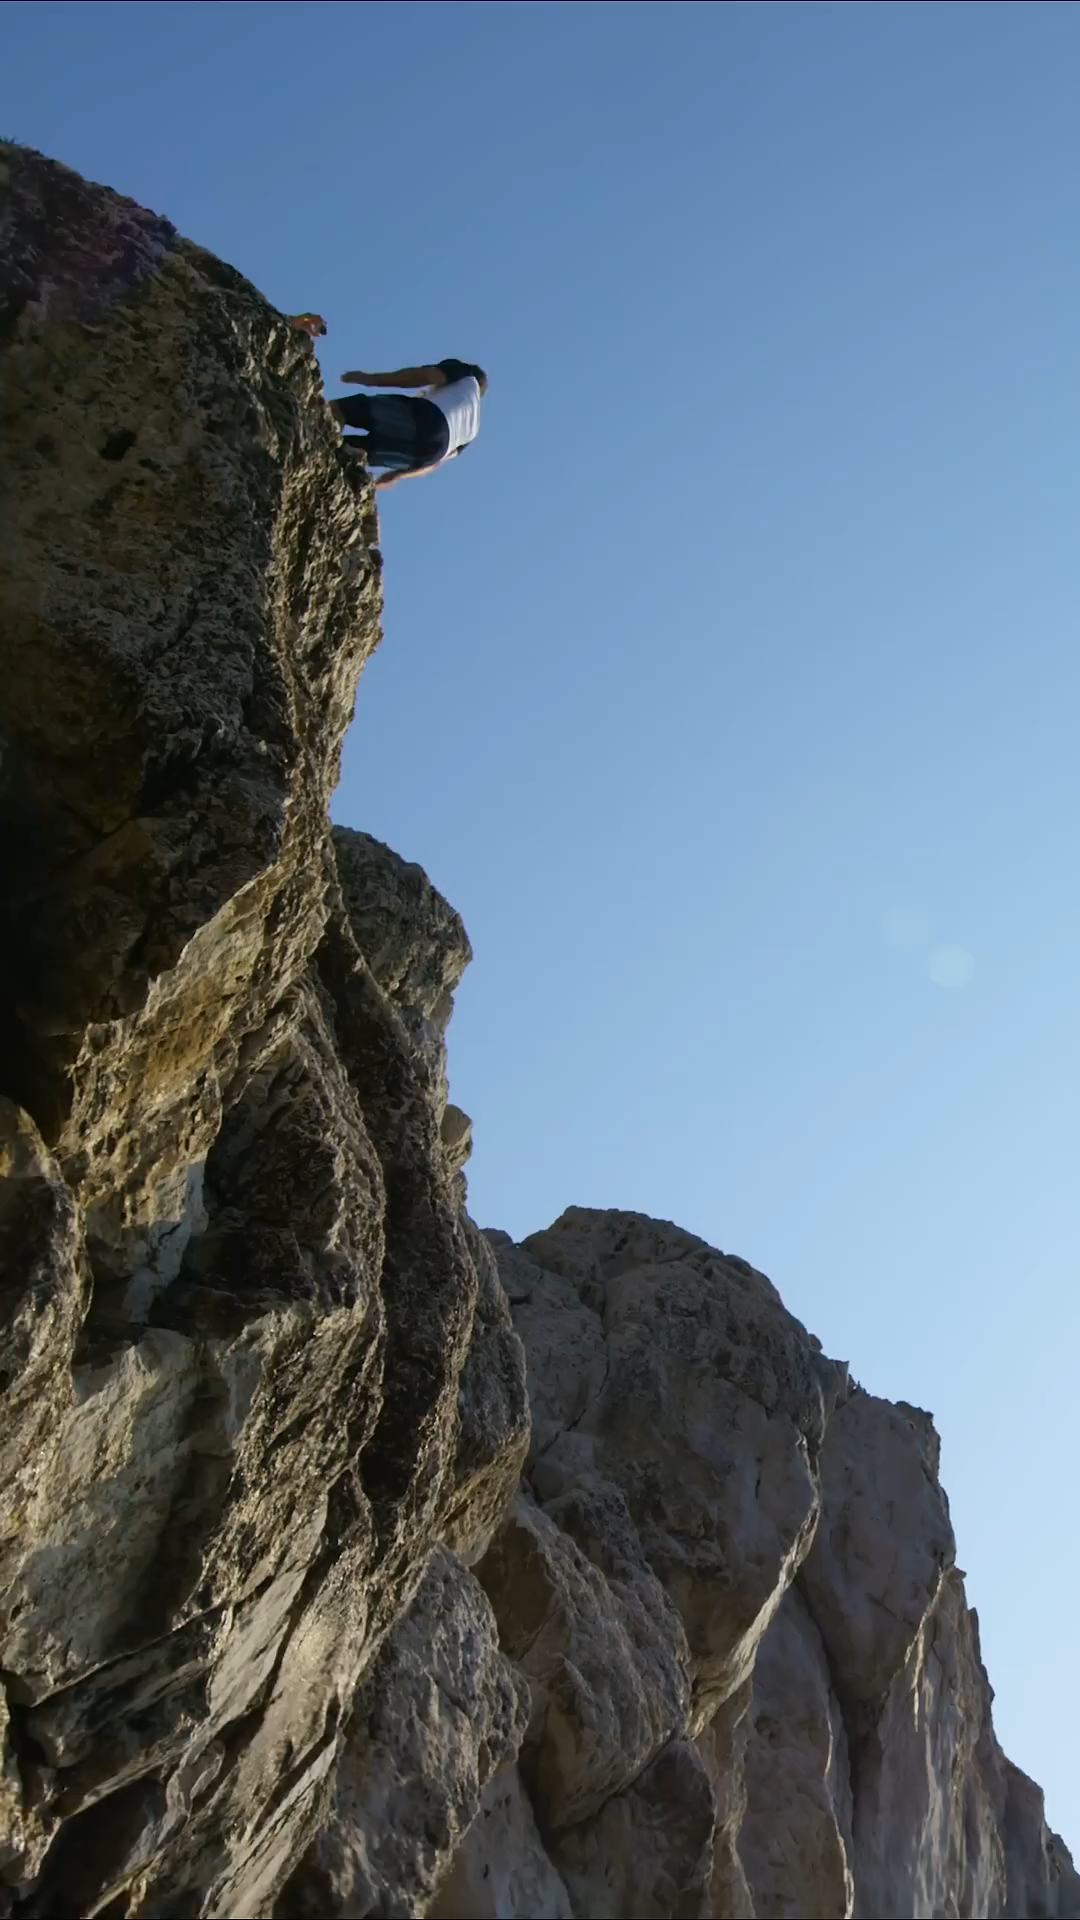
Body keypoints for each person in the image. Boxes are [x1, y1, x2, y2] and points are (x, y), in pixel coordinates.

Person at [327, 359, 488, 491]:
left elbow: (427, 376)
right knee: (346, 454)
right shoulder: (473, 429)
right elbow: (435, 464)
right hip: (427, 455)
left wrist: (371, 379)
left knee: (340, 409)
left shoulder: (467, 375)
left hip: (428, 419)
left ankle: (317, 442)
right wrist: (397, 475)